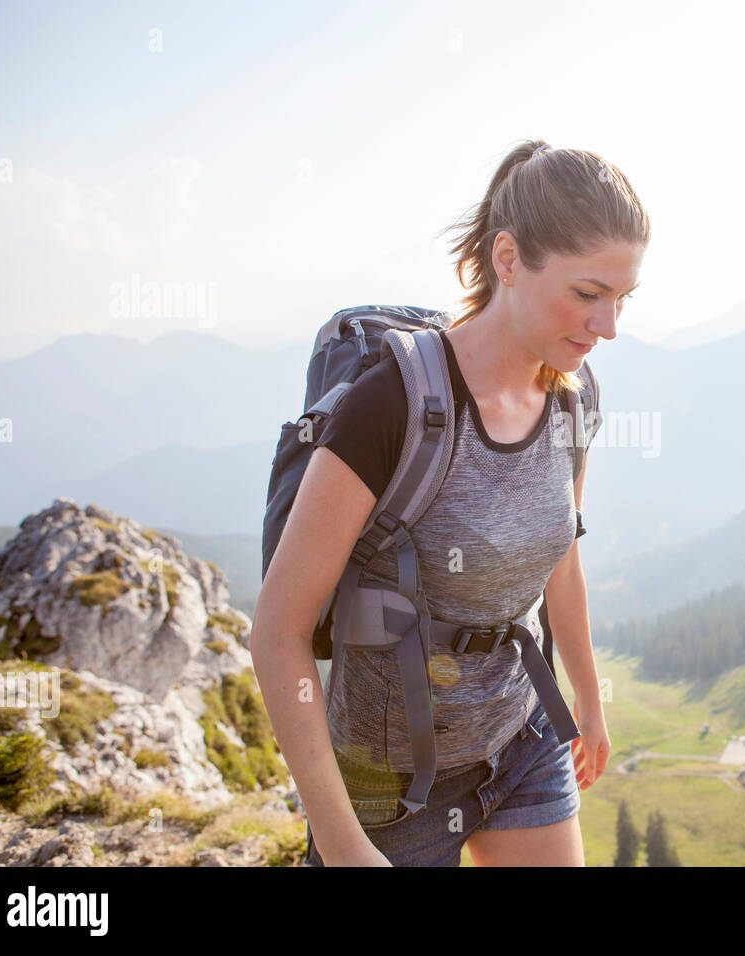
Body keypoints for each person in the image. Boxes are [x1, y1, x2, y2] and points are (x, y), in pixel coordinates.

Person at [251, 139, 649, 866]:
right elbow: (278, 631)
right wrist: (342, 844)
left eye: (623, 298)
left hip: (521, 741)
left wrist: (588, 702)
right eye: (588, 295)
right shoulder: (391, 404)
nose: (609, 327)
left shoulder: (574, 396)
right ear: (507, 261)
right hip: (386, 781)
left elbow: (561, 560)